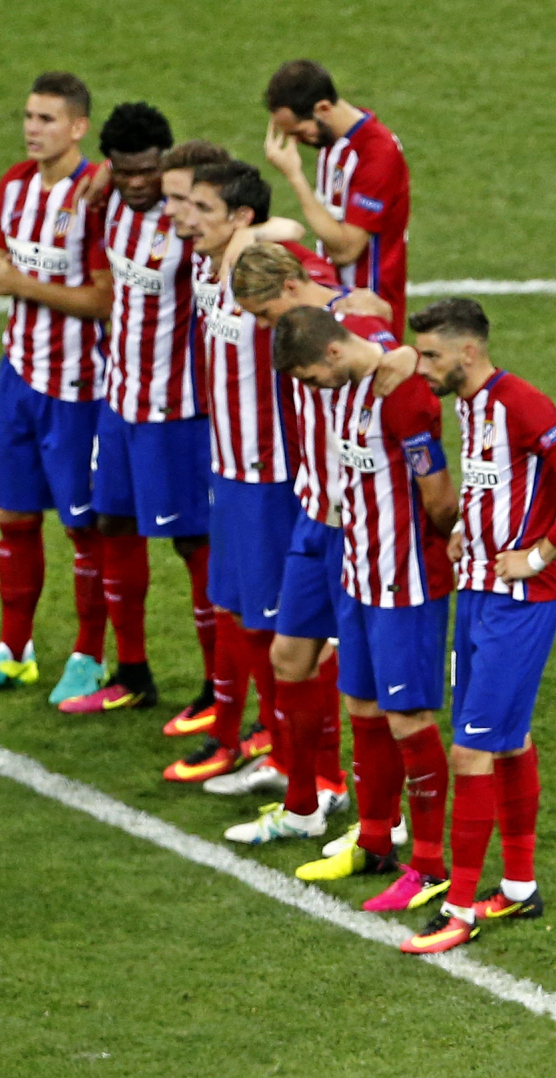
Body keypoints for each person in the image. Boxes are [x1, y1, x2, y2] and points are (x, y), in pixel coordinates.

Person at [397, 297, 556, 953]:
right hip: (480, 595)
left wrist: (539, 554)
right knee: (507, 741)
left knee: (472, 750)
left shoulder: (522, 403)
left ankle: (459, 909)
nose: (419, 366)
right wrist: (466, 527)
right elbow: (495, 483)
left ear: (468, 351)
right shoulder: (468, 403)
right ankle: (518, 891)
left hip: (520, 604)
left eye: (430, 354)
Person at [274, 304, 456, 908]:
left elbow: (438, 499)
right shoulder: (350, 388)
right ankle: (376, 841)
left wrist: (445, 545)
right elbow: (356, 308)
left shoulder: (404, 400)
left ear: (330, 353)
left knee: (410, 718)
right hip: (357, 574)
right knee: (363, 703)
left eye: (306, 377)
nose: (306, 391)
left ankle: (429, 866)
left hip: (404, 584)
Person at [0, 71, 112, 706]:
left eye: (46, 119)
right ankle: (14, 652)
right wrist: (1, 277)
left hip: (77, 386)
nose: (31, 129)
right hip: (18, 375)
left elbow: (102, 299)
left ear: (78, 127)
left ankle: (89, 657)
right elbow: (14, 268)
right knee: (13, 513)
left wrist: (20, 286)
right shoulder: (13, 187)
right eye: (27, 116)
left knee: (83, 527)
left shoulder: (96, 197)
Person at [51, 101, 209, 718]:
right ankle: (134, 672)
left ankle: (214, 693)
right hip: (118, 399)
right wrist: (98, 183)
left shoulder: (190, 219)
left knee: (194, 544)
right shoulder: (109, 200)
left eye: (149, 170)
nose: (138, 183)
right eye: (125, 170)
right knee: (112, 523)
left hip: (177, 409)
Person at [219, 240, 378, 843]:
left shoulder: (354, 327)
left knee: (370, 688)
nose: (262, 327)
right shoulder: (301, 330)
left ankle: (377, 826)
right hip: (313, 515)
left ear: (289, 289)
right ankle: (308, 802)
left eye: (262, 313)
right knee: (290, 658)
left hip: (358, 525)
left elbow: (401, 370)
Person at [159, 153, 298, 787]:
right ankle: (259, 734)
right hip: (229, 467)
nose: (183, 219)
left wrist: (252, 233)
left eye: (199, 208)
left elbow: (293, 233)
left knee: (270, 620)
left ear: (240, 217)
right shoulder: (207, 267)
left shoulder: (259, 272)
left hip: (268, 473)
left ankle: (282, 746)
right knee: (238, 610)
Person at [262, 62, 410, 332]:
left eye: (298, 132)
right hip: (336, 301)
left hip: (368, 314)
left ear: (323, 110)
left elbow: (346, 249)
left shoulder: (377, 154)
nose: (297, 141)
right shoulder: (333, 141)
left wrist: (295, 176)